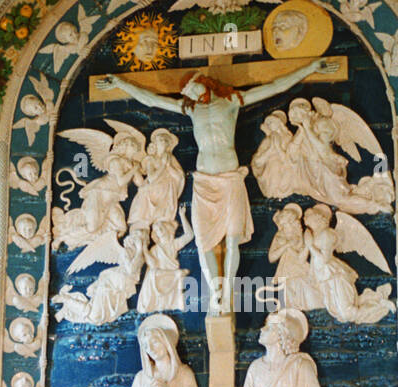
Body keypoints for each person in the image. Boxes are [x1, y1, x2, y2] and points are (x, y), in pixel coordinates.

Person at [94, 55, 339, 313]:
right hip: (204, 181)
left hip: (230, 177)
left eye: (189, 86)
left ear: (203, 82)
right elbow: (153, 100)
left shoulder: (231, 102)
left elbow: (275, 86)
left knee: (233, 240)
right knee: (203, 241)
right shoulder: (191, 109)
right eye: (185, 90)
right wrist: (121, 84)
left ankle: (228, 289)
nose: (186, 92)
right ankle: (215, 292)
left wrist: (310, 67)